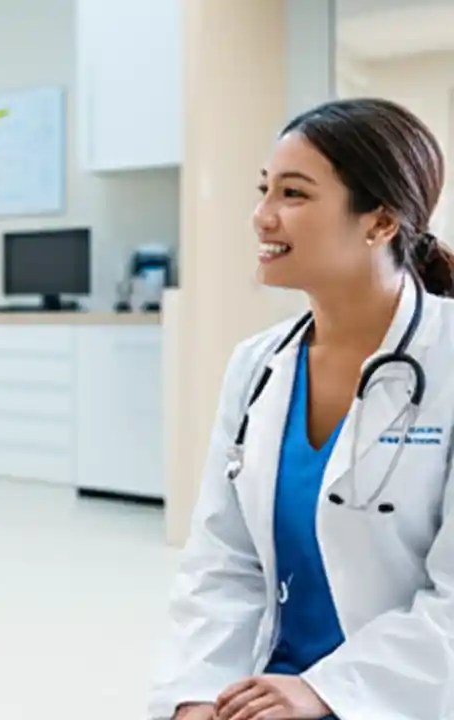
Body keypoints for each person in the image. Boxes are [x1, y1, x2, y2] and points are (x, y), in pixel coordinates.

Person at [148, 97, 454, 720]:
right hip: (270, 690)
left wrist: (329, 691)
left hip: (402, 694)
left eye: (293, 194)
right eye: (264, 190)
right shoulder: (259, 366)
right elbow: (222, 559)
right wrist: (197, 694)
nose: (262, 217)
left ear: (380, 221)